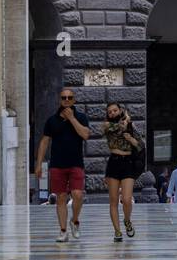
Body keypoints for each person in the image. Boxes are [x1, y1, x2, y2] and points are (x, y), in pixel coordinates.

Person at [32, 88, 90, 242]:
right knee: (61, 197)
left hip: (76, 163)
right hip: (57, 164)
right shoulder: (52, 120)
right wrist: (38, 164)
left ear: (74, 100)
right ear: (60, 100)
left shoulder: (81, 117)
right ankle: (63, 230)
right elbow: (44, 142)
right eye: (63, 97)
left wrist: (71, 118)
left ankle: (74, 221)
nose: (66, 100)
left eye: (69, 97)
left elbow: (85, 135)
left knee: (78, 194)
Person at [103, 102, 142, 242]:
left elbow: (140, 144)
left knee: (126, 199)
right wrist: (125, 121)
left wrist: (131, 139)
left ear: (120, 110)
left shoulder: (131, 125)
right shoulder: (107, 125)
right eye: (110, 111)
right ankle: (117, 231)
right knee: (113, 200)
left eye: (115, 110)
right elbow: (117, 127)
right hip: (113, 162)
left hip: (128, 163)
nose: (112, 113)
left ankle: (127, 220)